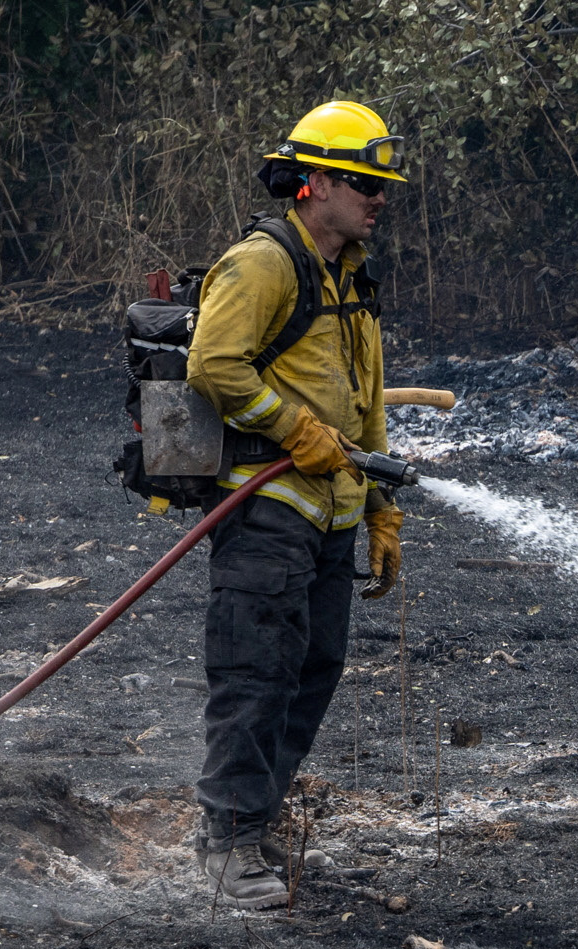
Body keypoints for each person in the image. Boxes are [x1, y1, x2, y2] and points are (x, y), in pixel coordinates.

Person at [184, 100, 409, 908]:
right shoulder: (264, 263)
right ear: (311, 183)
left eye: (383, 184)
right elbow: (212, 366)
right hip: (267, 505)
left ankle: (253, 819)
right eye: (361, 182)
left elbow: (368, 399)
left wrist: (382, 505)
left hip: (334, 515)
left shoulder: (351, 277)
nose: (378, 196)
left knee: (313, 670)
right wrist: (293, 429)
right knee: (256, 674)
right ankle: (225, 840)